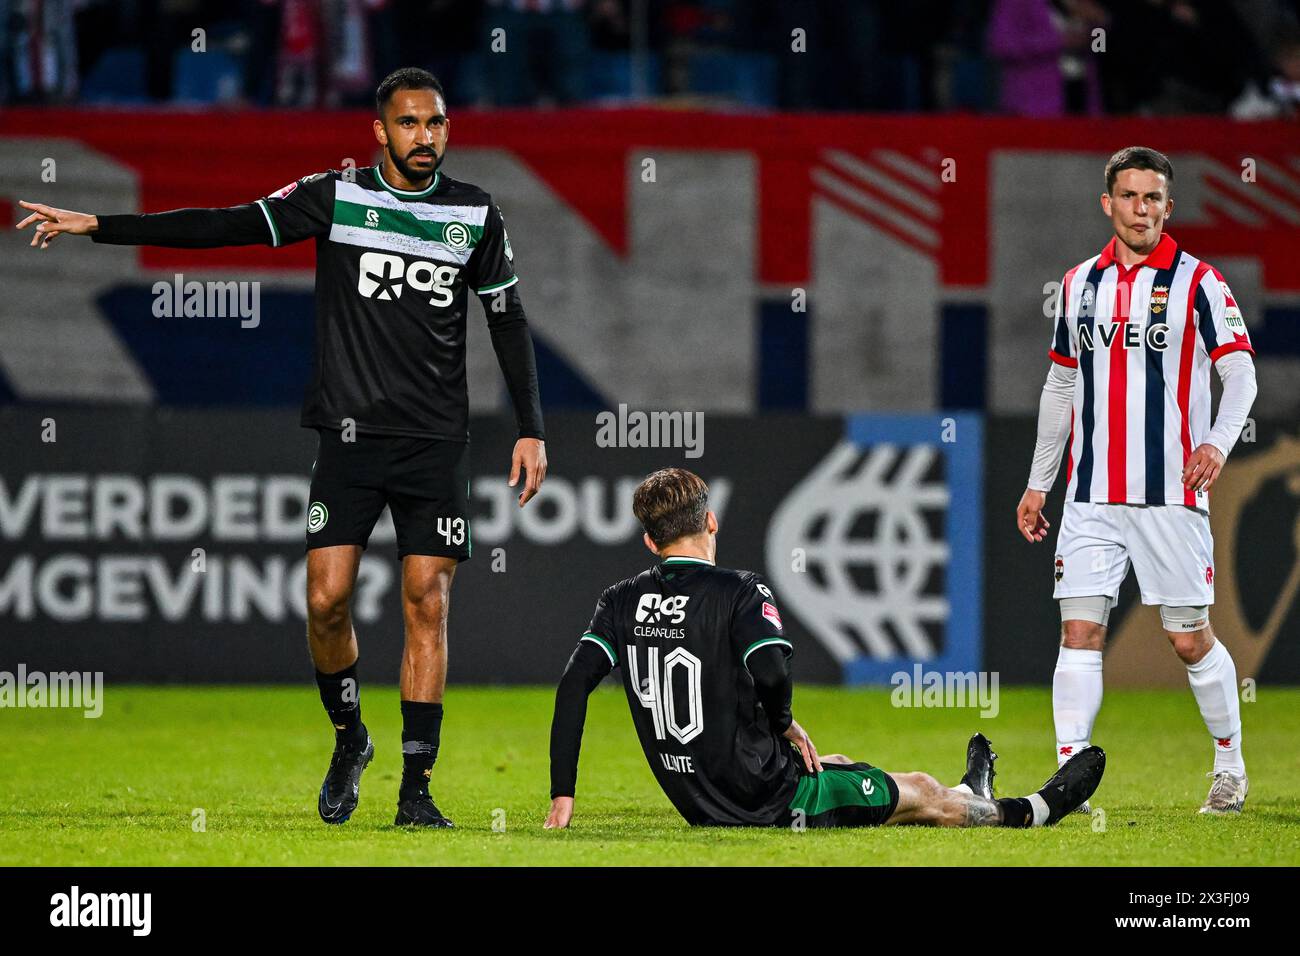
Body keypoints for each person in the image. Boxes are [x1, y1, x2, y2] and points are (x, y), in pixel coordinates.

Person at [17, 67, 548, 829]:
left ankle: (416, 792)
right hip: (350, 436)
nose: (423, 137)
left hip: (434, 440)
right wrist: (99, 225)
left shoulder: (476, 212)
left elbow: (508, 319)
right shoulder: (336, 197)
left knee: (427, 602)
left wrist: (530, 426)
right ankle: (350, 735)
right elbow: (224, 224)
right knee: (326, 603)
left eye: (435, 123)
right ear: (379, 131)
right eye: (408, 123)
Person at [546, 467, 1104, 830]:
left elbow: (572, 686)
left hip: (699, 798)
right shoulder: (739, 590)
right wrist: (784, 722)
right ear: (710, 521)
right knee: (922, 793)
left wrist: (563, 794)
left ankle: (970, 787)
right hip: (768, 801)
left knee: (834, 765)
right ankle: (1030, 811)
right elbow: (770, 670)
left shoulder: (621, 599)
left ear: (650, 541)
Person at [1017, 146, 1256, 815]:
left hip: (1170, 494)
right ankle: (1069, 779)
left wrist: (1216, 442)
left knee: (1188, 638)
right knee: (1079, 634)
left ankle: (1230, 766)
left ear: (1168, 207)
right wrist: (1039, 482)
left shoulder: (1199, 282)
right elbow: (1061, 384)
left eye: (1153, 198)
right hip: (1090, 494)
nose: (1141, 209)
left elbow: (1240, 372)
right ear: (1108, 203)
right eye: (1129, 196)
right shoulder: (1078, 284)